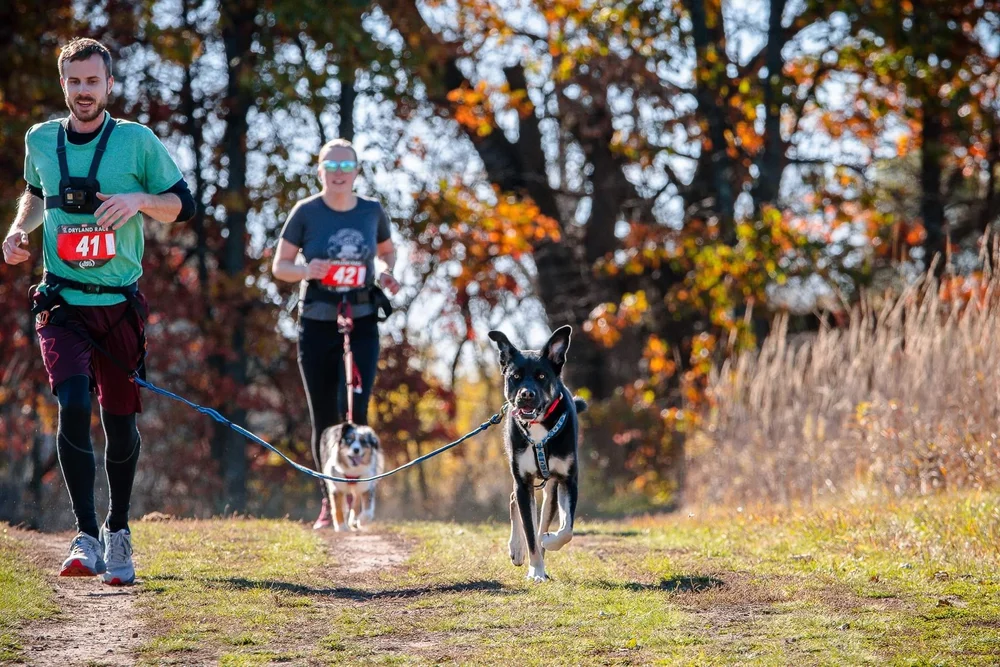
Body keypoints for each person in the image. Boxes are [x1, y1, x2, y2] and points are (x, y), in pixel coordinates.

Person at [2, 38, 195, 584]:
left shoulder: (136, 143)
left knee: (120, 423)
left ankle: (118, 529)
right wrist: (19, 231)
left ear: (109, 85)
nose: (83, 92)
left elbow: (184, 205)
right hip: (61, 302)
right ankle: (85, 536)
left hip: (119, 307)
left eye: (93, 82)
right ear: (62, 84)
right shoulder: (40, 139)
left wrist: (139, 201)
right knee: (71, 404)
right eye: (74, 82)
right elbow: (36, 196)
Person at [271, 138, 400, 530]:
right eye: (332, 166)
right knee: (326, 419)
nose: (340, 173)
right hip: (317, 321)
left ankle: (362, 498)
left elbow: (388, 251)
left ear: (357, 172)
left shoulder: (371, 211)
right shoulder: (306, 212)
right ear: (320, 171)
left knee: (356, 415)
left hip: (360, 321)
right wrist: (309, 271)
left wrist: (390, 271)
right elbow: (281, 266)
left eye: (347, 166)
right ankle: (331, 502)